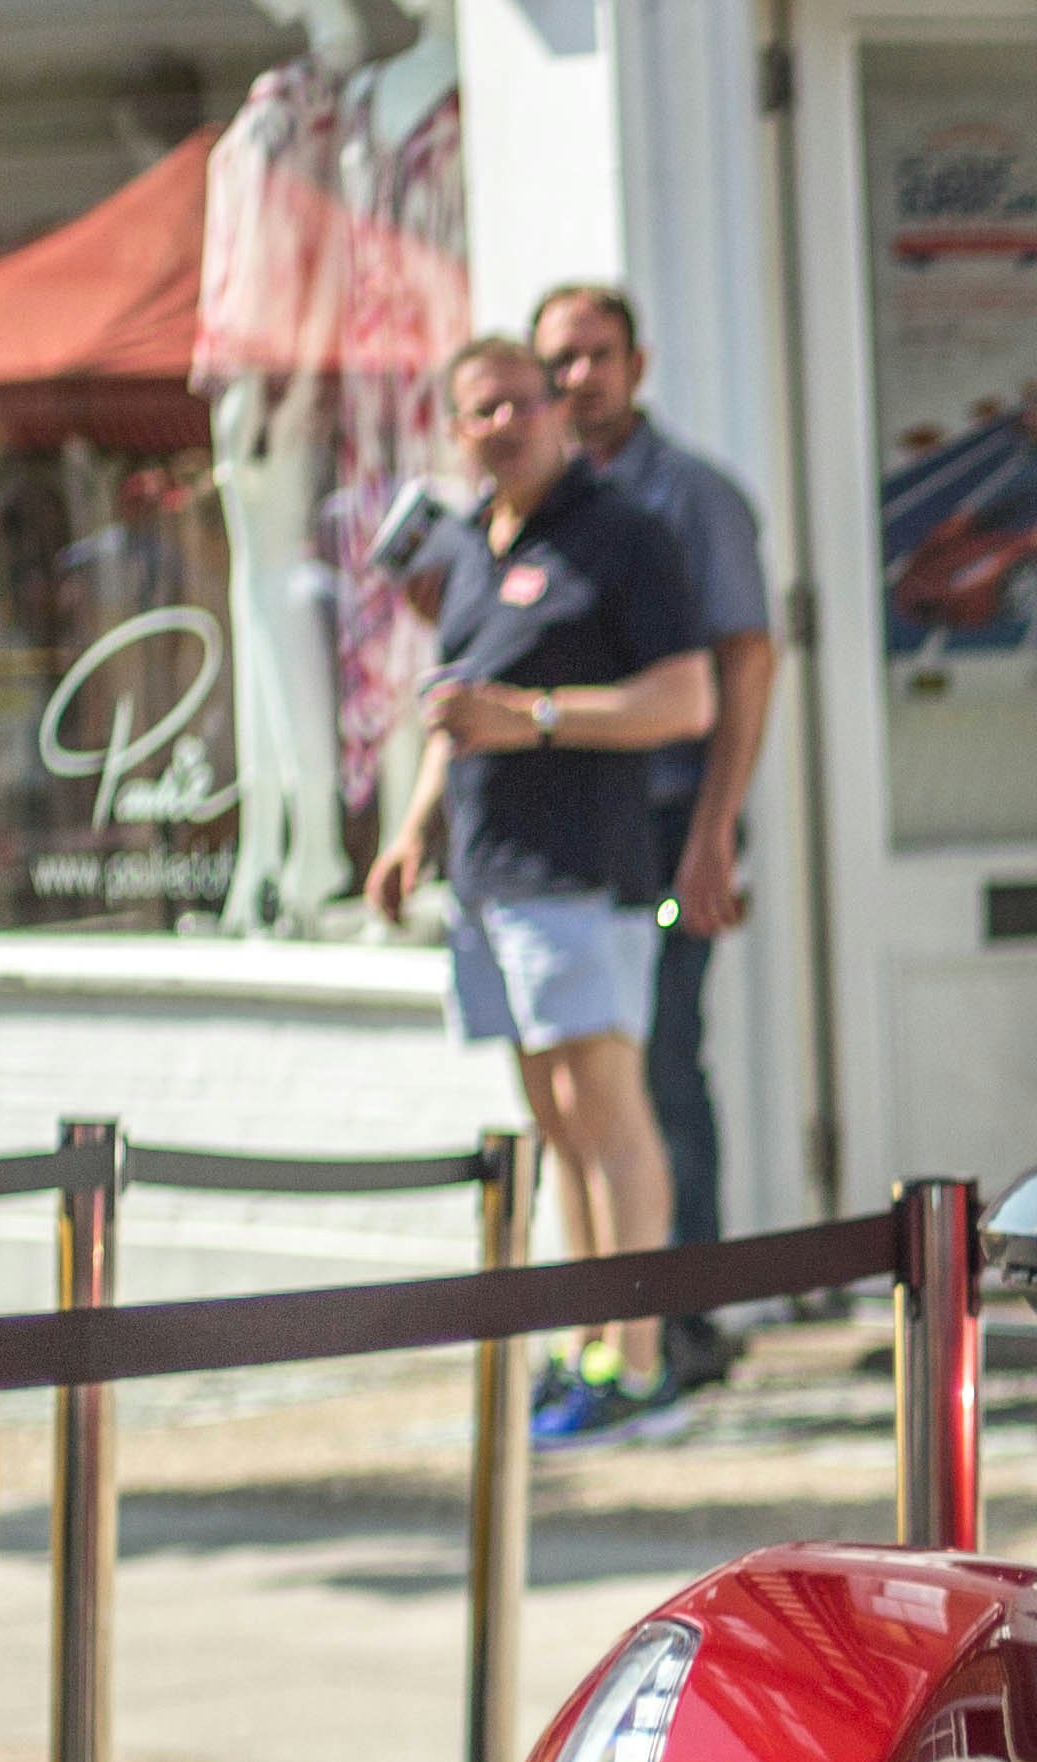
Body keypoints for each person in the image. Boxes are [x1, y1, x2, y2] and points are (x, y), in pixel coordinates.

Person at [362, 331, 714, 1436]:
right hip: (489, 878)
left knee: (610, 1114)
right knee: (554, 1119)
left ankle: (645, 1367)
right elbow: (455, 708)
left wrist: (538, 719)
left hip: (583, 871)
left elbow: (687, 699)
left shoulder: (623, 536)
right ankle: (589, 1342)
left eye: (523, 402)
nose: (507, 424)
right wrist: (413, 830)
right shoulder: (468, 545)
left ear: (559, 411)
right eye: (483, 411)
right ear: (458, 432)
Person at [531, 280, 776, 1396]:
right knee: (589, 1086)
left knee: (664, 1065)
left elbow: (749, 665)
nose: (577, 378)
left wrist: (715, 833)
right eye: (559, 360)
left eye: (596, 355)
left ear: (640, 363)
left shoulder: (693, 498)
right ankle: (612, 1330)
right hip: (579, 838)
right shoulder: (544, 506)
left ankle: (686, 1329)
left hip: (675, 824)